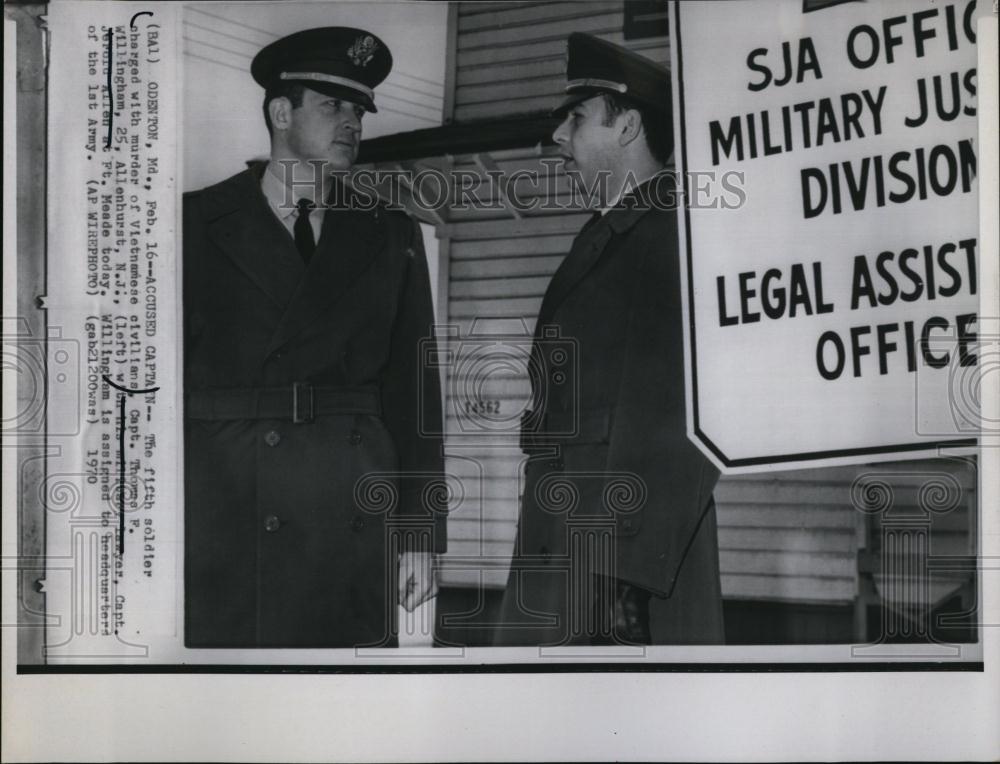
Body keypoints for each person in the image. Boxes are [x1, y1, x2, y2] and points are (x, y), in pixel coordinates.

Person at [183, 27, 445, 648]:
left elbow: (417, 398)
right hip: (230, 507)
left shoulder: (390, 234)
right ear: (281, 112)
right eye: (332, 106)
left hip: (352, 505)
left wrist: (419, 537)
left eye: (358, 110)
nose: (352, 122)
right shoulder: (191, 224)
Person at [495, 33, 724, 646]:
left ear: (627, 128)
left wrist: (626, 581)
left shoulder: (671, 234)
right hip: (575, 535)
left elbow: (675, 419)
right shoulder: (616, 231)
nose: (559, 138)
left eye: (576, 118)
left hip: (616, 562)